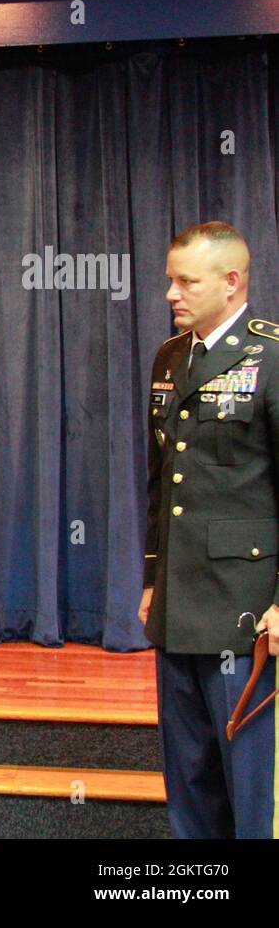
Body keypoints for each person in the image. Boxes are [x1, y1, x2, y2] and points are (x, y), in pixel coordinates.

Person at [141, 221, 279, 838]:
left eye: (186, 281)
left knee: (251, 782)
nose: (172, 293)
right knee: (189, 778)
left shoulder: (271, 356)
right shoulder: (171, 357)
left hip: (247, 609)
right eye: (171, 279)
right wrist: (152, 581)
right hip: (179, 603)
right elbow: (161, 483)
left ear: (231, 281)